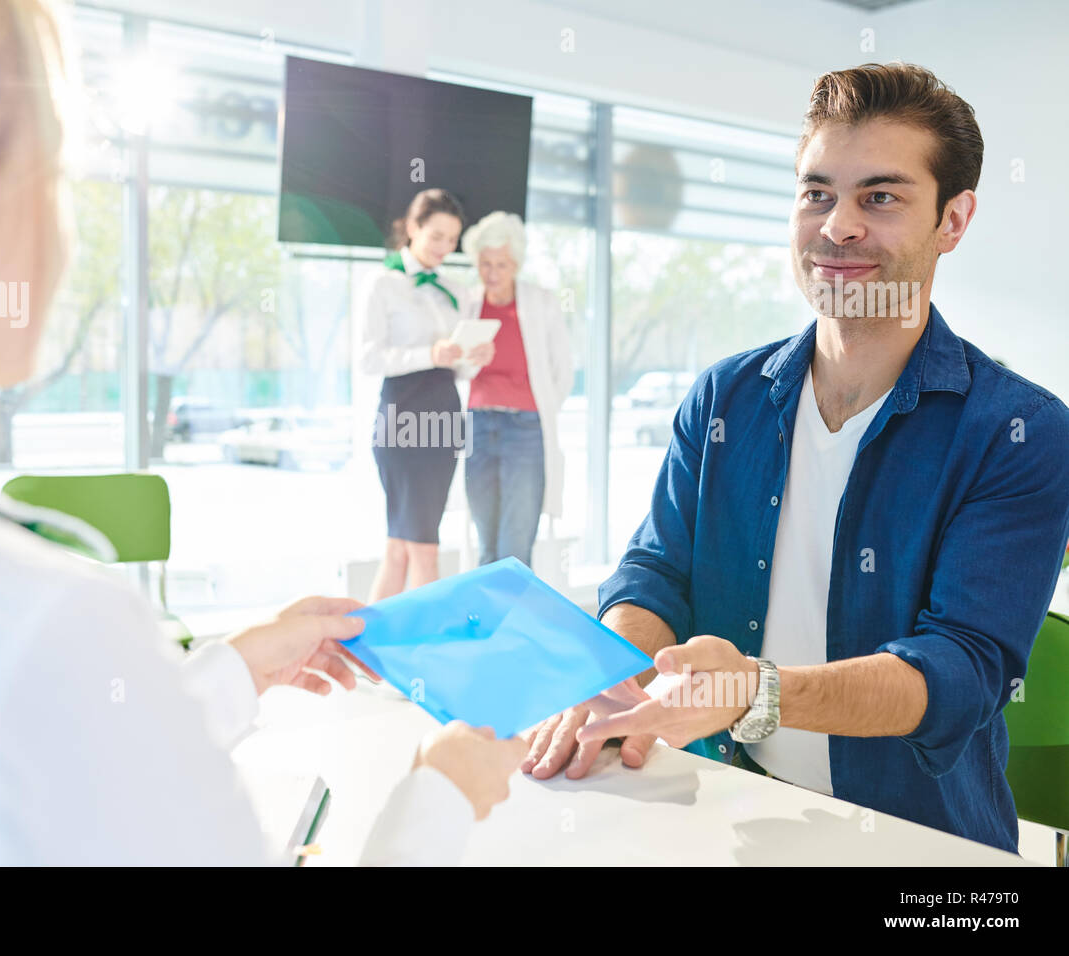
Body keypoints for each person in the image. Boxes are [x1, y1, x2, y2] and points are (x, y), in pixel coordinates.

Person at [0, 0, 526, 865]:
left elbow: (44, 741)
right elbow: (27, 696)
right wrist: (442, 794)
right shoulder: (30, 619)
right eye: (57, 180)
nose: (63, 235)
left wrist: (227, 672)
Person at [522, 62, 1069, 854]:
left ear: (953, 220)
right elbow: (655, 575)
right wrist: (619, 672)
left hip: (918, 846)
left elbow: (960, 670)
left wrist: (753, 690)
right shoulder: (724, 399)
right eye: (817, 193)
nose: (837, 226)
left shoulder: (1021, 431)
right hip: (720, 805)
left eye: (879, 197)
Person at [358, 189, 492, 601]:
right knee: (424, 549)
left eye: (451, 240)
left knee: (400, 547)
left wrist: (475, 358)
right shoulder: (382, 282)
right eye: (436, 236)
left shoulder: (456, 290)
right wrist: (428, 353)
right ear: (412, 228)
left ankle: (371, 658)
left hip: (443, 417)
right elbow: (368, 358)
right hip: (402, 417)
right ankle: (417, 662)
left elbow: (460, 368)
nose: (444, 248)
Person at [458, 211, 573, 568]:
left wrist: (543, 409)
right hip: (477, 426)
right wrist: (472, 359)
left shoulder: (541, 302)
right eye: (485, 263)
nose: (493, 273)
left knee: (514, 546)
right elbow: (456, 368)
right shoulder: (467, 303)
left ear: (516, 263)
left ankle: (511, 623)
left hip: (525, 429)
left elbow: (562, 369)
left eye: (502, 264)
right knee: (486, 542)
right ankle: (486, 625)